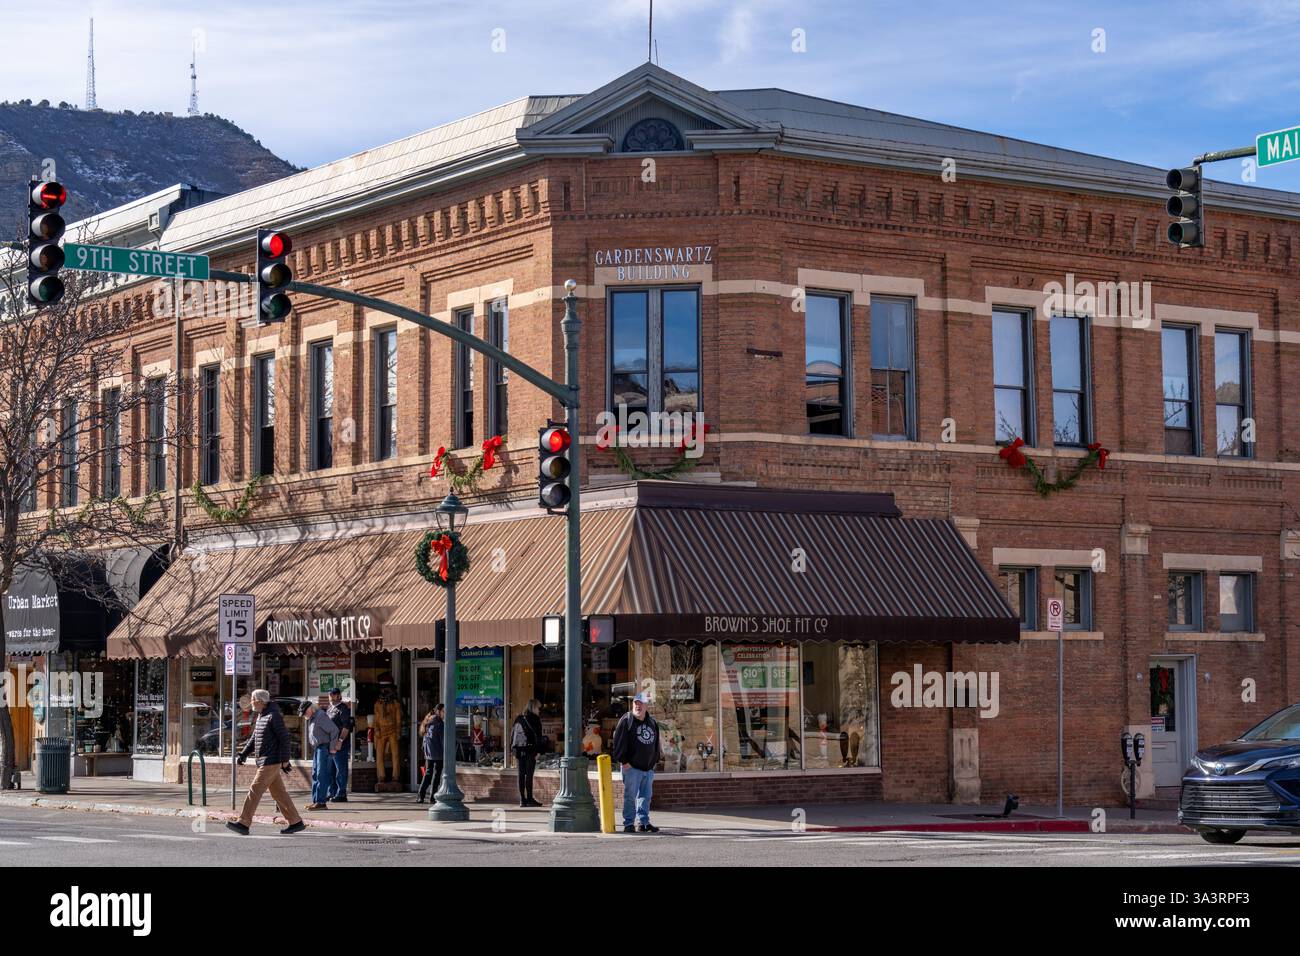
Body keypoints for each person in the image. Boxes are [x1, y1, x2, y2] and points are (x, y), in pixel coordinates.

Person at [226, 690, 305, 835]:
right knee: (279, 794)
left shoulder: (274, 716)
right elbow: (254, 738)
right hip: (265, 760)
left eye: (253, 699)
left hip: (271, 761)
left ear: (261, 701)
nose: (251, 702)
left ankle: (243, 823)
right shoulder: (262, 715)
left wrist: (285, 760)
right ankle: (296, 821)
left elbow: (285, 739)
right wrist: (243, 754)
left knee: (254, 790)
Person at [611, 692, 661, 833]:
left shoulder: (652, 722)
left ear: (646, 705)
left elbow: (656, 743)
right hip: (631, 768)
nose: (637, 706)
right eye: (635, 703)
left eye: (640, 703)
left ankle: (643, 823)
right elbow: (618, 743)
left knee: (645, 797)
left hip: (648, 768)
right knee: (630, 797)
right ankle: (628, 824)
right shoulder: (627, 720)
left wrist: (654, 761)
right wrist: (624, 761)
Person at [302, 699, 340, 811]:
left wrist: (333, 748)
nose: (304, 715)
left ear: (311, 709)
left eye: (305, 712)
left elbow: (334, 730)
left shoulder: (320, 716)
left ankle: (321, 802)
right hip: (318, 748)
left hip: (324, 748)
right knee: (315, 775)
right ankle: (316, 801)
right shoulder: (313, 717)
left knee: (321, 775)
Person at [510, 699, 544, 807]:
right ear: (534, 707)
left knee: (521, 775)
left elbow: (512, 734)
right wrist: (539, 751)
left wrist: (513, 749)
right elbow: (538, 737)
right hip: (530, 750)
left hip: (519, 751)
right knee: (529, 775)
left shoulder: (519, 718)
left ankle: (522, 799)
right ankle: (529, 798)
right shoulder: (535, 719)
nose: (539, 710)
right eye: (538, 707)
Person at [326, 687, 354, 802]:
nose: (331, 697)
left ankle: (341, 793)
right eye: (331, 695)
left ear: (338, 696)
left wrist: (340, 741)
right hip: (330, 743)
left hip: (339, 745)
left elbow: (346, 727)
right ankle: (332, 792)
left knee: (340, 769)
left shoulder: (343, 709)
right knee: (330, 769)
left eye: (334, 695)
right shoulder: (330, 708)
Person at [372, 681, 402, 784]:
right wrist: (376, 730)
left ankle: (396, 776)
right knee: (379, 755)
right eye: (383, 689)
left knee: (395, 754)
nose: (384, 691)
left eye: (387, 689)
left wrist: (398, 731)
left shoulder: (395, 704)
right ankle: (381, 776)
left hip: (392, 730)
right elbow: (376, 719)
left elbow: (398, 719)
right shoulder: (377, 704)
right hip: (381, 731)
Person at [416, 703, 445, 804]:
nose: (444, 714)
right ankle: (432, 797)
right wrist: (446, 752)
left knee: (428, 774)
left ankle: (421, 795)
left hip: (429, 753)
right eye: (443, 711)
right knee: (436, 776)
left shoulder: (428, 721)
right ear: (438, 711)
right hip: (438, 753)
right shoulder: (439, 723)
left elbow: (425, 738)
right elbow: (442, 740)